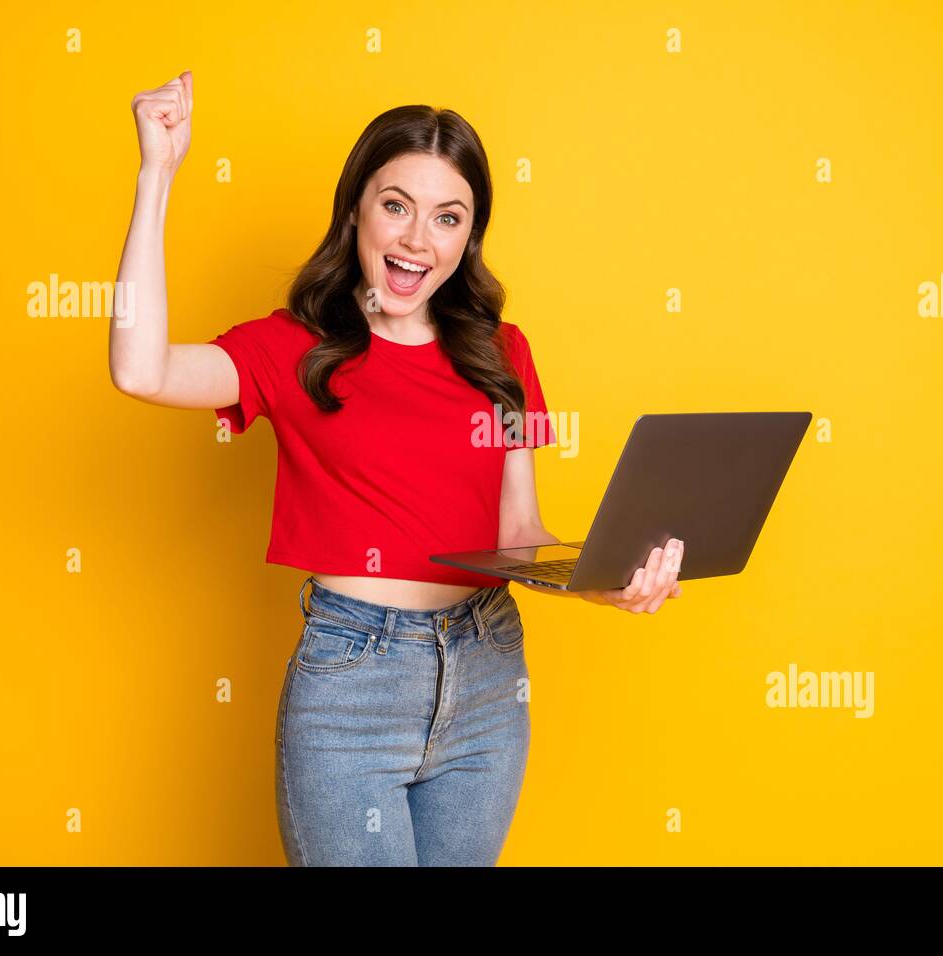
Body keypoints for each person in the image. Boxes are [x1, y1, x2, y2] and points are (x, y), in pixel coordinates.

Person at [108, 70, 686, 866]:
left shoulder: (501, 353)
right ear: (356, 212)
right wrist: (157, 175)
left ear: (468, 236)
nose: (418, 239)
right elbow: (139, 370)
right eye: (396, 206)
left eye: (448, 218)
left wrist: (610, 576)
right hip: (352, 685)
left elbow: (520, 534)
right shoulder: (293, 347)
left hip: (488, 676)